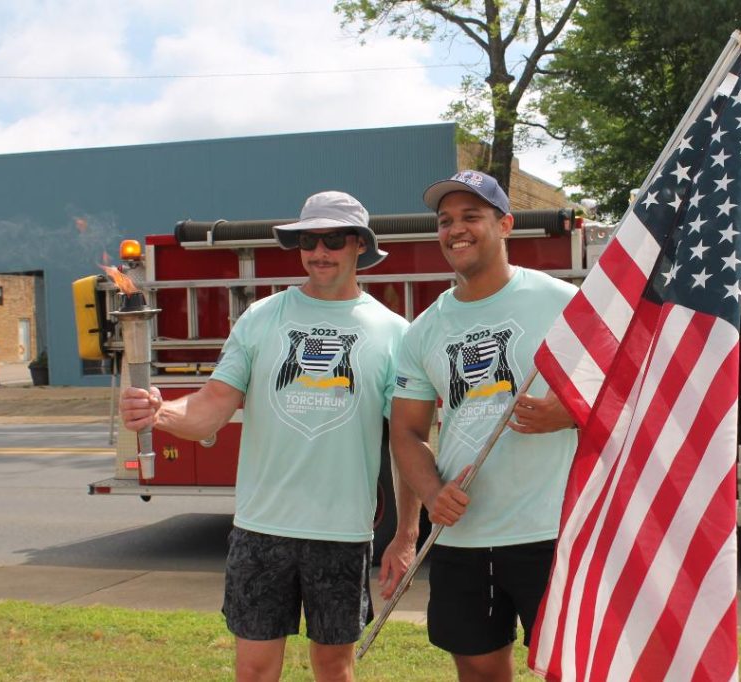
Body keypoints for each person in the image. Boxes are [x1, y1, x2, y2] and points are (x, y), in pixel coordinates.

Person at [119, 191, 419, 682]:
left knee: (334, 669)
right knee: (254, 671)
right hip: (262, 530)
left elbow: (407, 439)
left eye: (333, 239)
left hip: (341, 533)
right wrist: (161, 412)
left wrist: (405, 535)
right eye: (308, 239)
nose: (319, 251)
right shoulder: (262, 317)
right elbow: (213, 405)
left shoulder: (393, 332)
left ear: (359, 245)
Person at [391, 170, 578, 681]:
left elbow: (627, 390)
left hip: (553, 531)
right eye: (445, 220)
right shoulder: (423, 330)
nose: (456, 229)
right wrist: (431, 494)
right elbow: (405, 432)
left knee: (571, 669)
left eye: (471, 216)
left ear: (506, 224)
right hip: (463, 539)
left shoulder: (562, 303)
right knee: (478, 672)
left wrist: (568, 414)